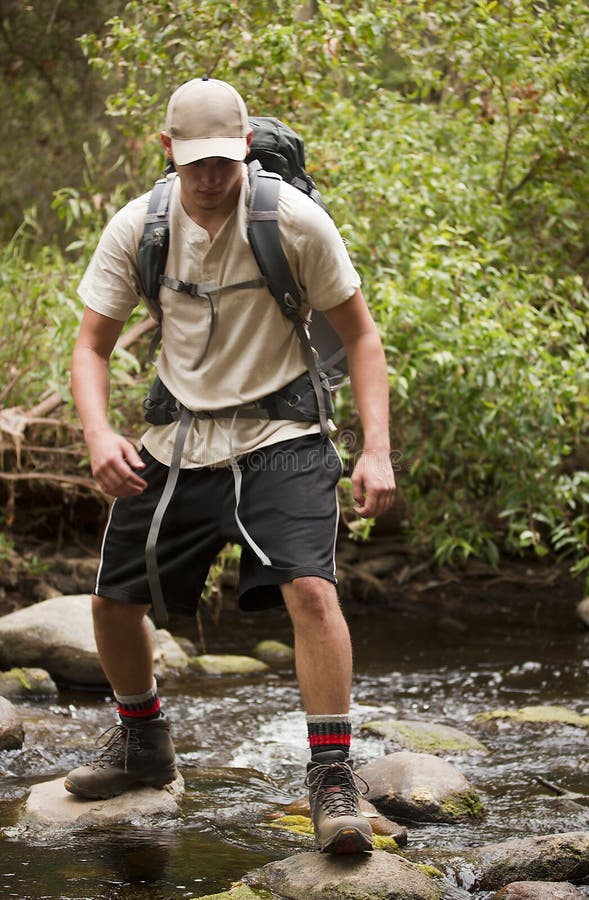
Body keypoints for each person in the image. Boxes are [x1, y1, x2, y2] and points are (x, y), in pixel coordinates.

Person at [65, 77, 395, 855]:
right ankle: (143, 742)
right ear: (167, 151)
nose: (212, 178)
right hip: (178, 442)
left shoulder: (293, 221)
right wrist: (99, 435)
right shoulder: (140, 226)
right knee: (112, 603)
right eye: (196, 164)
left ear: (245, 146)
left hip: (284, 435)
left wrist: (376, 450)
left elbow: (361, 337)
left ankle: (332, 778)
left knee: (311, 590)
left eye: (224, 160)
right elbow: (91, 345)